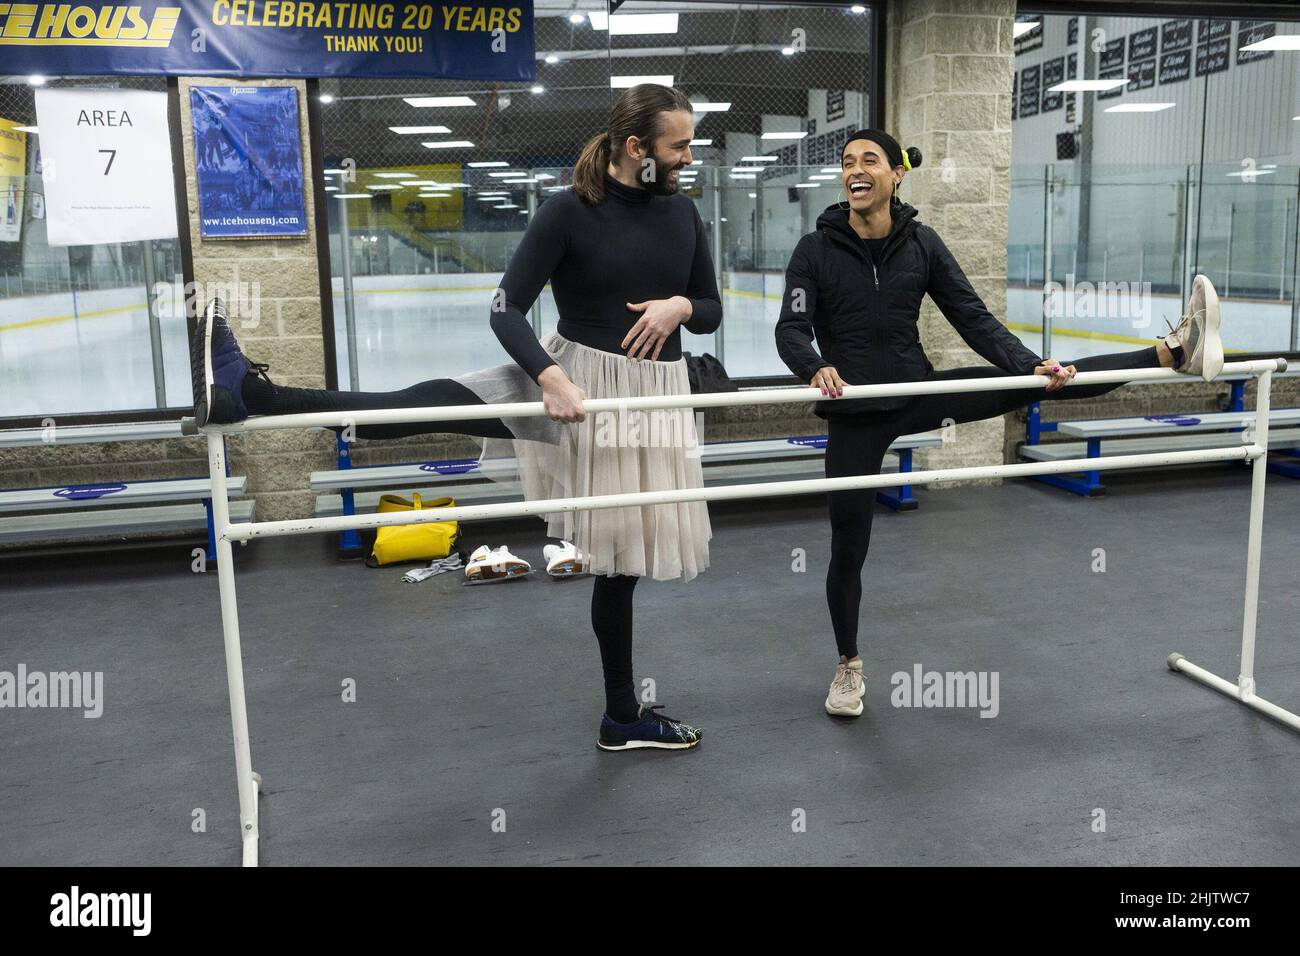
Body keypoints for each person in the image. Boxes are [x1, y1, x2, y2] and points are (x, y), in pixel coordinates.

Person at [193, 84, 721, 751]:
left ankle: (622, 716)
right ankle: (256, 397)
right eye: (680, 145)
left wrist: (680, 307)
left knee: (619, 567)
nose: (688, 157)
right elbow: (506, 306)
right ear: (637, 147)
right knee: (421, 405)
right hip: (565, 385)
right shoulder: (569, 212)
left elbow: (710, 306)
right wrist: (549, 375)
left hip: (644, 405)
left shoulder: (683, 215)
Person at [774, 128, 1223, 718]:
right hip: (853, 408)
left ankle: (1173, 352)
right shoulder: (815, 249)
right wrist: (817, 366)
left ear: (896, 174)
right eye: (847, 162)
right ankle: (848, 668)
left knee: (1045, 381)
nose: (855, 171)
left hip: (916, 391)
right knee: (848, 547)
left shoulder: (922, 244)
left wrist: (1027, 364)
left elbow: (972, 318)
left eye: (869, 161)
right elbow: (791, 329)